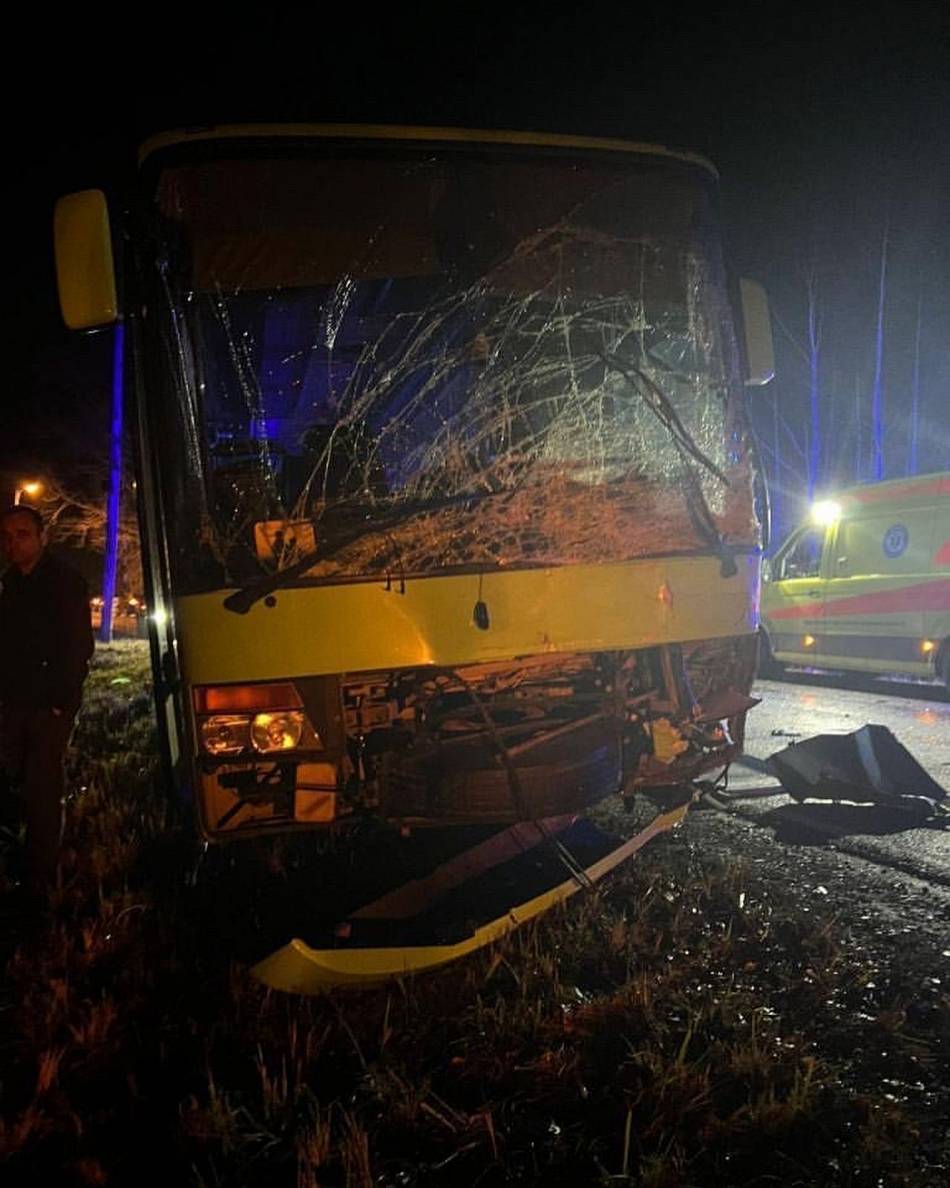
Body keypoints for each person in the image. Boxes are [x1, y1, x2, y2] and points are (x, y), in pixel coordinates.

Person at [0, 505, 94, 893]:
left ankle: (41, 878)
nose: (12, 543)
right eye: (6, 536)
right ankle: (21, 859)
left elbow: (77, 648)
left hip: (47, 707)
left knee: (41, 790)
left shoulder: (64, 582)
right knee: (13, 783)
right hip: (12, 702)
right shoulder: (10, 581)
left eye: (22, 534)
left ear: (42, 537)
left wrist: (61, 703)